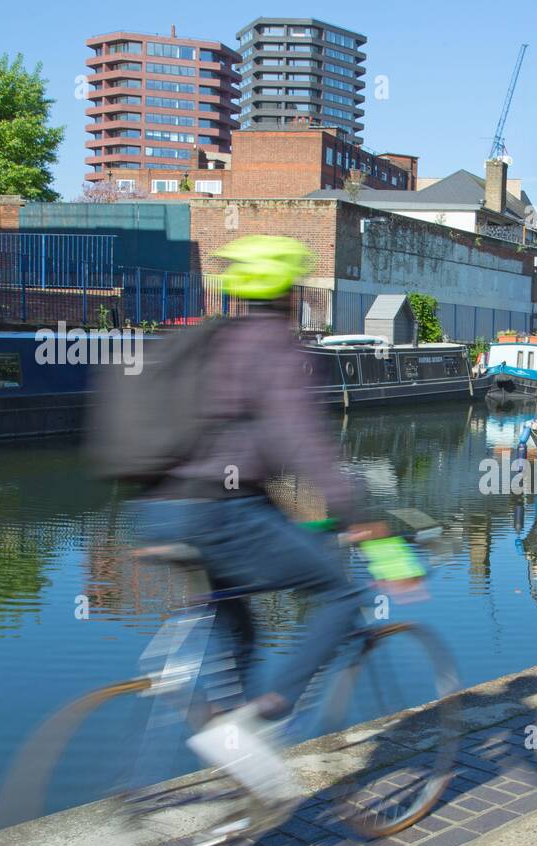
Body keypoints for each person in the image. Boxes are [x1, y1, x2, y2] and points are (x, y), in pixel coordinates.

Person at [136, 234, 380, 810]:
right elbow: (301, 440)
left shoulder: (207, 342)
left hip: (160, 508)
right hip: (219, 512)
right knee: (342, 593)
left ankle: (239, 747)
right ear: (290, 293)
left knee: (240, 620)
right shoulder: (274, 348)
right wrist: (357, 514)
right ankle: (258, 720)